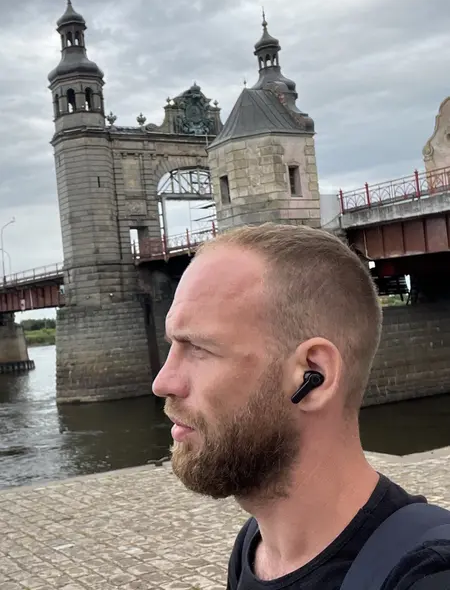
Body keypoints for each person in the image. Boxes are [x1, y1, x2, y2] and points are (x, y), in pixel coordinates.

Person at [152, 223, 450, 589]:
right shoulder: (253, 548)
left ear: (314, 376)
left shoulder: (427, 575)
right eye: (173, 346)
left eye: (199, 349)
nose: (162, 382)